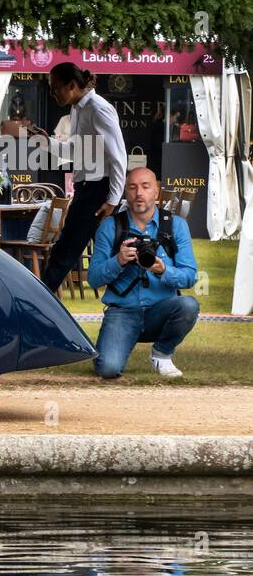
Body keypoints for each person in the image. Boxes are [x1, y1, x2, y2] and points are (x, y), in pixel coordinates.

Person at [11, 63, 126, 293]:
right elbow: (73, 151)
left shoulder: (98, 109)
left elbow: (118, 156)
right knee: (102, 250)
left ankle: (38, 303)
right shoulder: (78, 109)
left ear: (72, 85)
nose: (52, 94)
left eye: (55, 88)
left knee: (65, 252)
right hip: (88, 189)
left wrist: (112, 200)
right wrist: (47, 142)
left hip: (97, 190)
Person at [86, 166, 199, 379]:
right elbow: (93, 278)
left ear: (156, 191)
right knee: (108, 369)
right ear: (125, 192)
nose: (139, 193)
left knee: (188, 305)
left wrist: (163, 270)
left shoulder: (176, 226)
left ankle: (162, 354)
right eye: (132, 187)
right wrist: (118, 261)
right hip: (123, 312)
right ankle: (114, 342)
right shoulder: (110, 227)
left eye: (145, 187)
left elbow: (190, 276)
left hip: (161, 310)